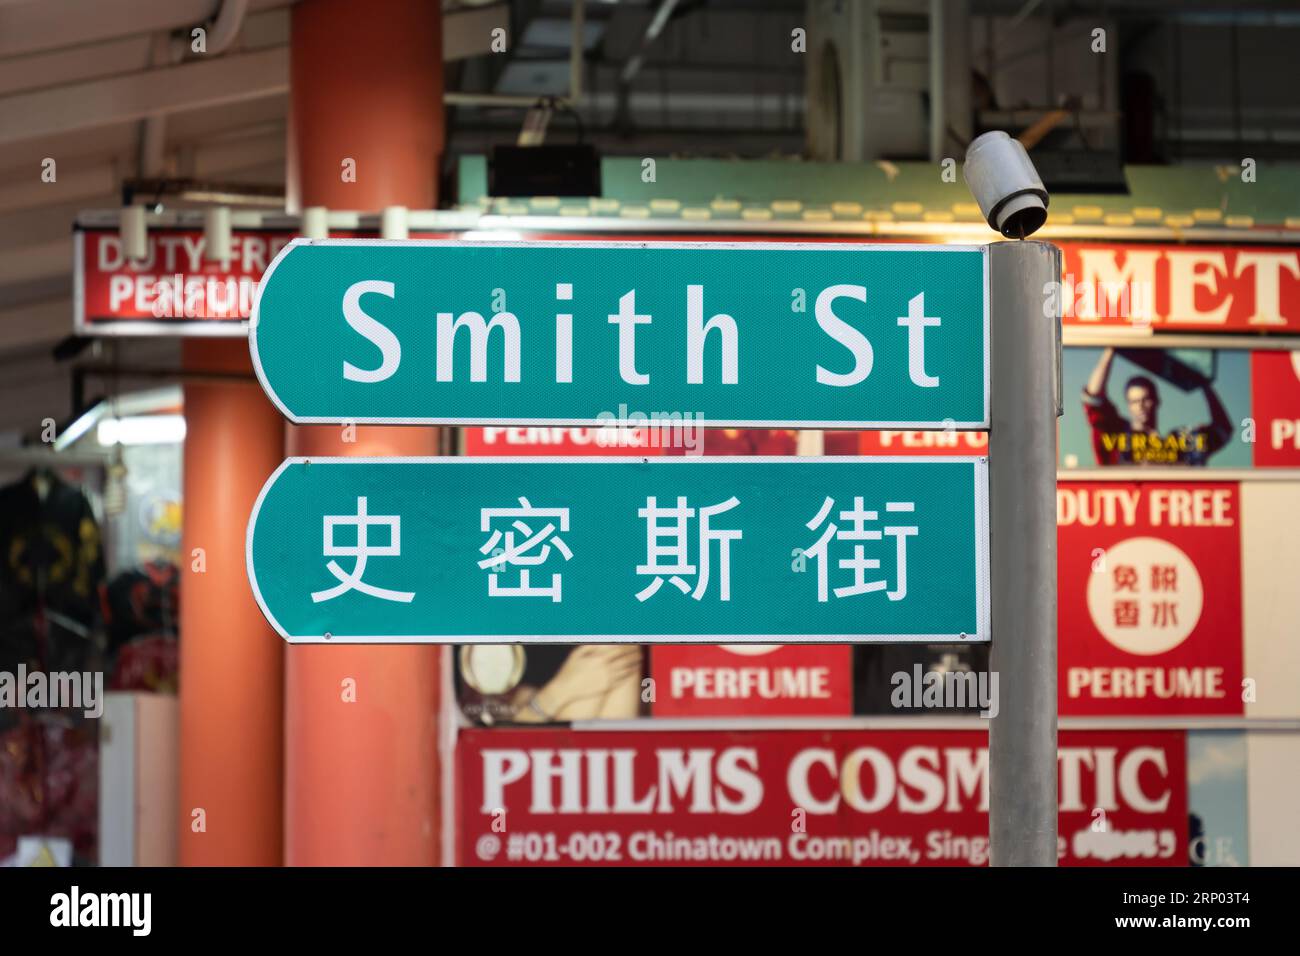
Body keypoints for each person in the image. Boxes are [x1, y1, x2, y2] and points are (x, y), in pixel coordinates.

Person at [1082, 347, 1233, 466]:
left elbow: (1222, 429)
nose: (1140, 406)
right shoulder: (1116, 434)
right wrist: (1111, 350)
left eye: (1145, 399)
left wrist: (1204, 384)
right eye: (1134, 401)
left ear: (1156, 401)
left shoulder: (1179, 443)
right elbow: (1093, 398)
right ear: (1128, 404)